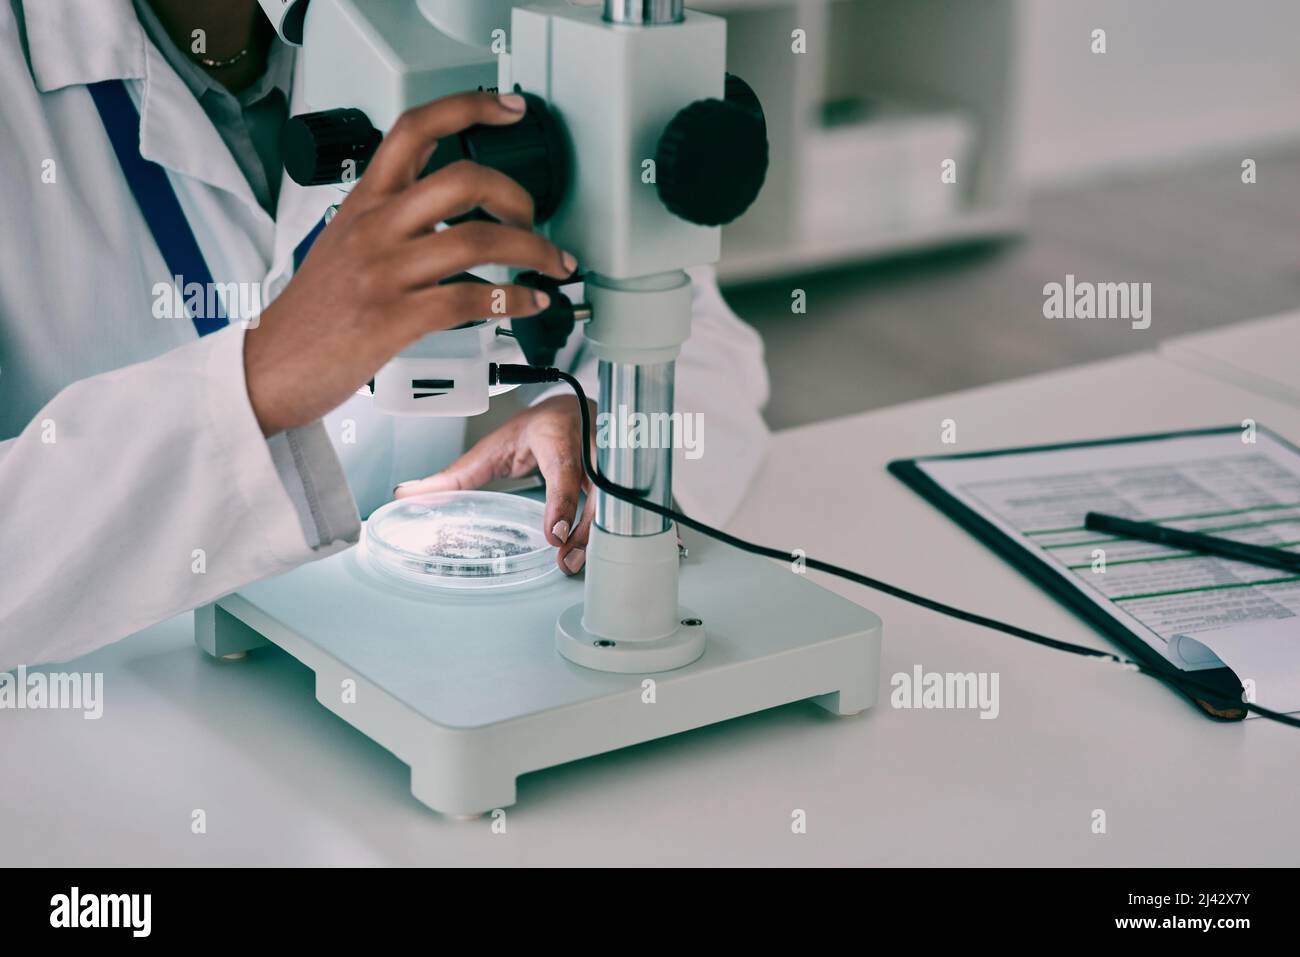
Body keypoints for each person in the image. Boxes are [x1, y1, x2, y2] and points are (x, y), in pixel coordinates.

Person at [0, 0, 771, 670]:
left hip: (422, 652)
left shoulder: (481, 27)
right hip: (102, 713)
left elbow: (702, 336)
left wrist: (612, 433)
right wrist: (258, 380)